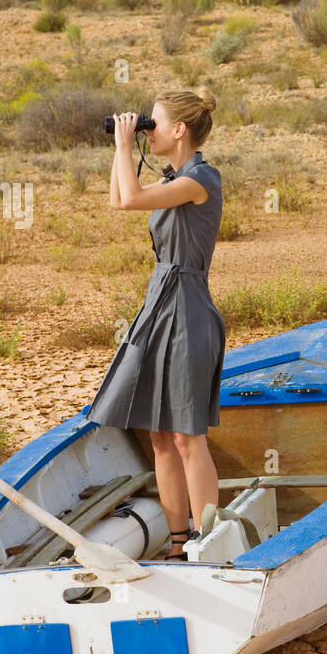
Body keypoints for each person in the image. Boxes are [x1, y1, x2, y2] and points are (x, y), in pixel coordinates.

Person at [87, 87, 227, 562]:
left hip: (187, 307)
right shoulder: (174, 178)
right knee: (160, 435)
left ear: (179, 130)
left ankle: (210, 544)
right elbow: (118, 198)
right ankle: (177, 543)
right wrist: (119, 146)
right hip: (159, 303)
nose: (149, 128)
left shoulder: (200, 179)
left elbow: (130, 200)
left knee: (188, 437)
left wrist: (128, 145)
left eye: (155, 122)